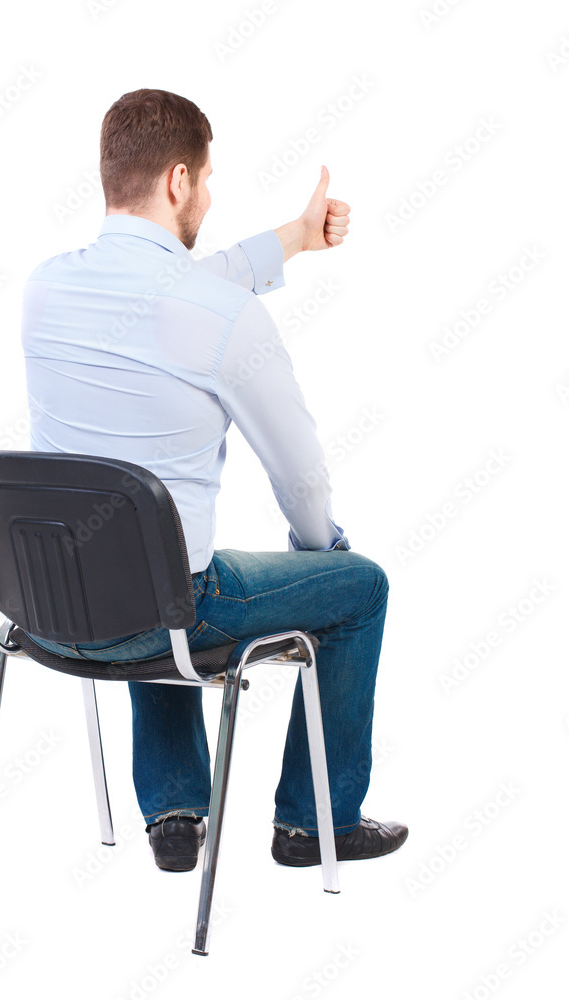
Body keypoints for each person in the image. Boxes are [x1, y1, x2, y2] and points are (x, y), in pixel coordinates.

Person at [21, 88, 407, 873]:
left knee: (132, 546)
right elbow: (298, 474)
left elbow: (187, 289)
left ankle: (172, 808)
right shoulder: (220, 316)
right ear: (177, 181)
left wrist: (296, 239)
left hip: (42, 606)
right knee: (357, 586)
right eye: (206, 179)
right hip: (167, 616)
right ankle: (313, 824)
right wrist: (319, 552)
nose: (209, 194)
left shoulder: (46, 288)